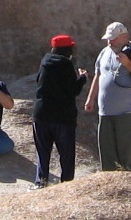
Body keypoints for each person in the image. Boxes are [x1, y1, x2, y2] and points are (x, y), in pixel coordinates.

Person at [83, 21, 131, 171]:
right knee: (108, 157)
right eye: (108, 38)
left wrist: (128, 64)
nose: (110, 42)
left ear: (125, 36)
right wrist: (91, 98)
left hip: (128, 113)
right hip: (105, 113)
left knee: (128, 158)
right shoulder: (104, 52)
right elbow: (98, 75)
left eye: (113, 38)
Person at [31, 34, 89, 188]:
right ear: (67, 49)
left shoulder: (44, 63)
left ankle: (40, 182)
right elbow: (73, 90)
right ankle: (67, 185)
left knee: (43, 153)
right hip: (63, 117)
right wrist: (82, 78)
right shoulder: (66, 65)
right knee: (66, 154)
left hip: (41, 114)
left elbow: (39, 83)